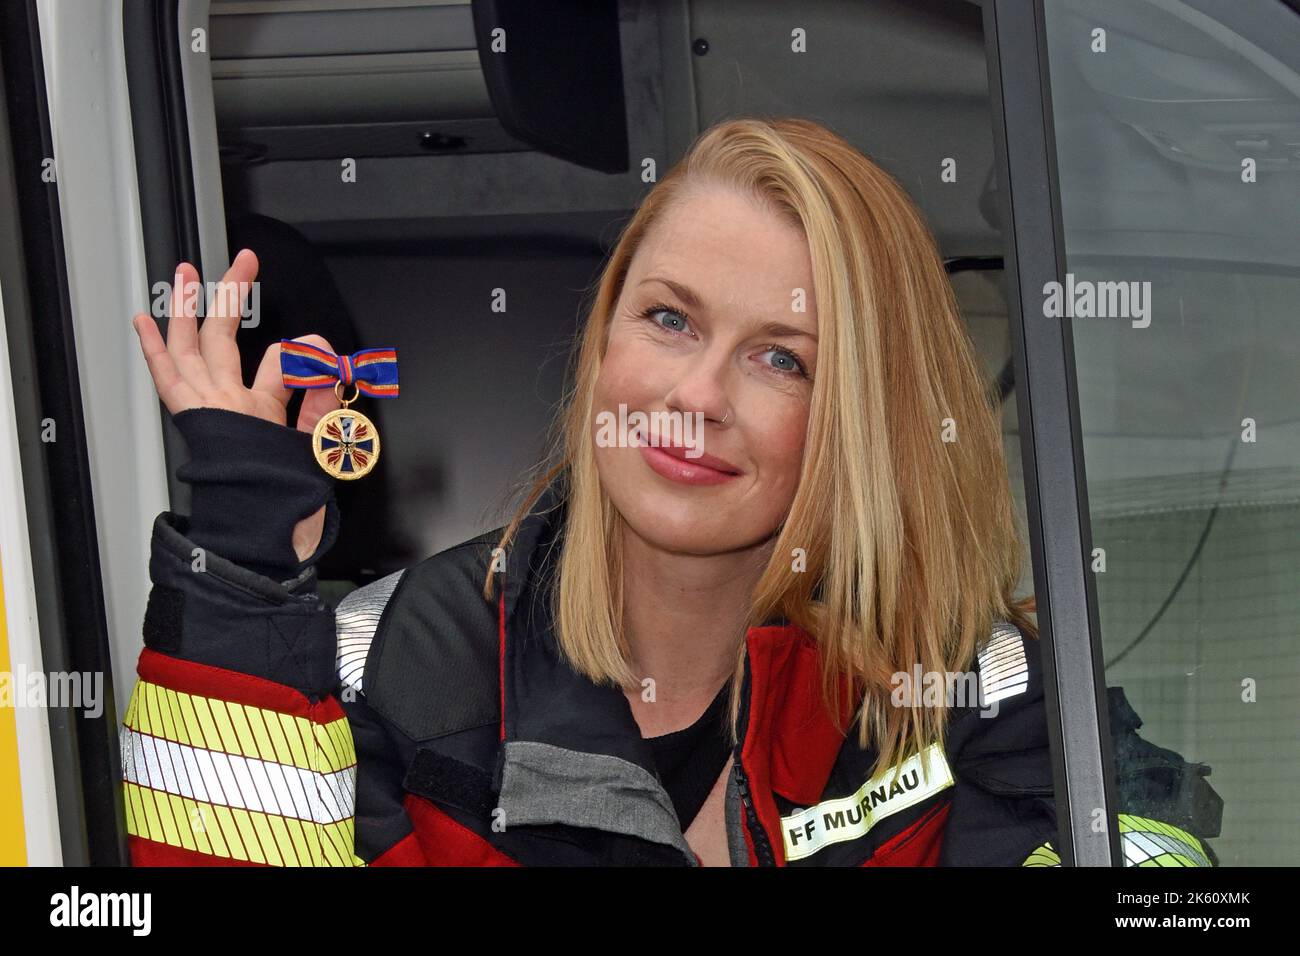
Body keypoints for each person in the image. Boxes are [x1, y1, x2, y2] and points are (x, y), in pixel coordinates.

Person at [123, 117, 1219, 866]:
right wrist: (245, 578)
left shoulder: (978, 688)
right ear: (603, 341)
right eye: (669, 319)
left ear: (860, 420)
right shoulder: (384, 655)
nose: (697, 394)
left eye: (781, 357)